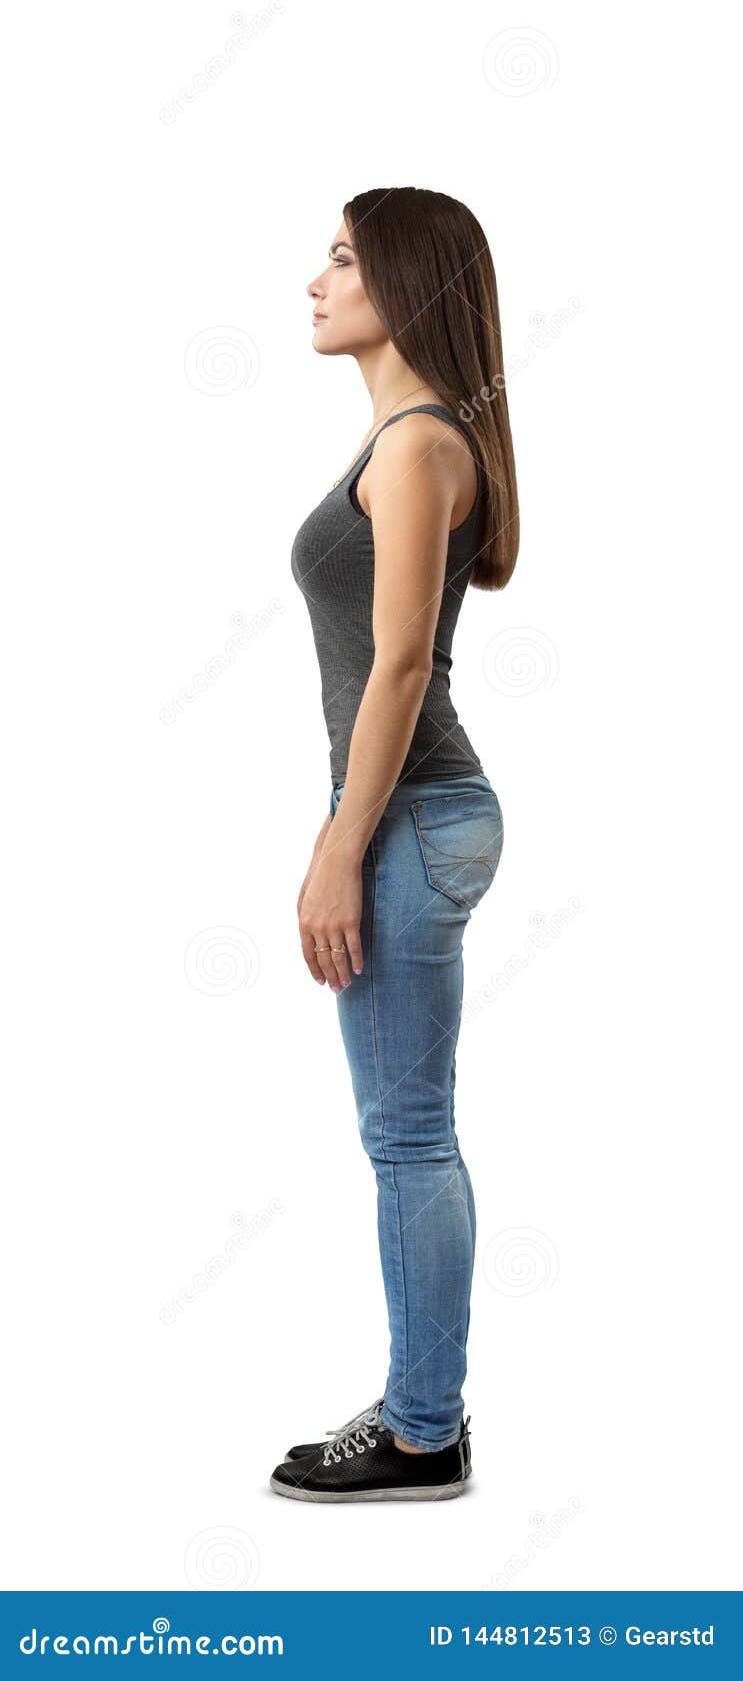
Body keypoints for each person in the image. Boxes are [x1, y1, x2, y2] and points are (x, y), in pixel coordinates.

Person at [271, 187, 519, 1502]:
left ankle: (426, 1425)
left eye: (344, 257)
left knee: (409, 1135)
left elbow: (404, 664)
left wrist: (336, 844)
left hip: (412, 813)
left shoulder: (418, 444)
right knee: (410, 1130)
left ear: (405, 281)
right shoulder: (409, 436)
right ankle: (423, 1402)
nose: (317, 280)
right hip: (421, 813)